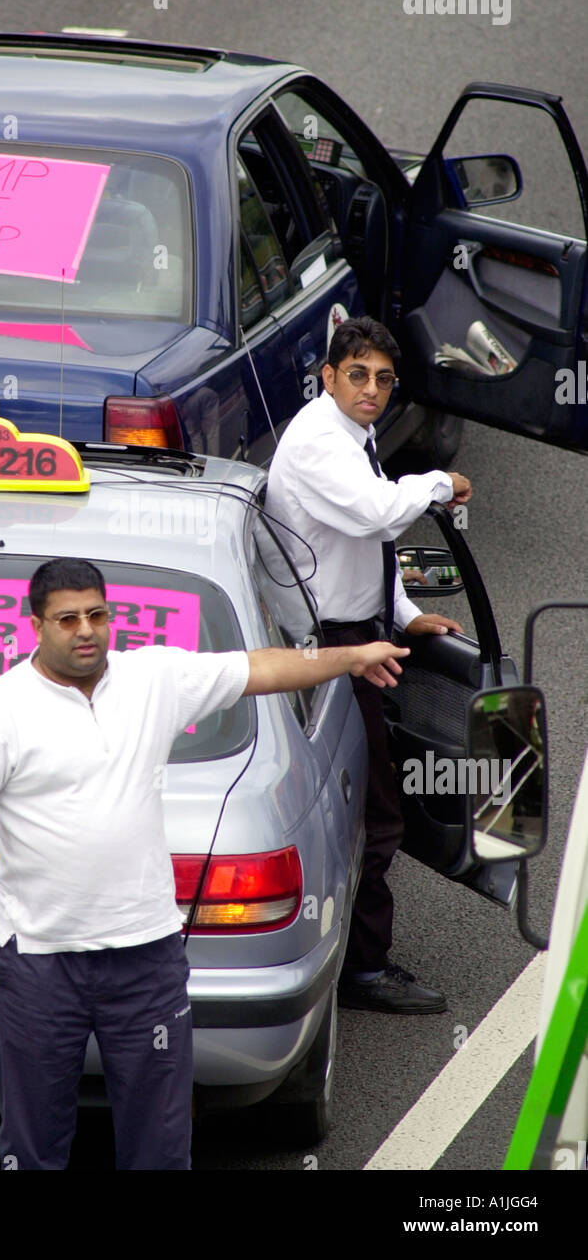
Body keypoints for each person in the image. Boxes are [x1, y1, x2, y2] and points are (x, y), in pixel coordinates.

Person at [0, 555, 409, 1170]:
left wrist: (349, 658)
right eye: (67, 619)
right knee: (33, 1145)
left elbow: (263, 667)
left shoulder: (154, 678)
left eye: (96, 615)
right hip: (38, 963)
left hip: (146, 960)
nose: (85, 630)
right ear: (36, 627)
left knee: (160, 1146)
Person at [265, 316, 473, 1014]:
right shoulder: (322, 443)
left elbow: (362, 547)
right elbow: (381, 517)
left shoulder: (348, 434)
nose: (374, 390)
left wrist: (408, 614)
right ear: (328, 377)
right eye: (358, 375)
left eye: (384, 379)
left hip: (355, 632)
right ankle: (362, 970)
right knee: (374, 809)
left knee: (365, 800)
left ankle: (351, 948)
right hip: (328, 647)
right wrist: (439, 481)